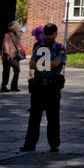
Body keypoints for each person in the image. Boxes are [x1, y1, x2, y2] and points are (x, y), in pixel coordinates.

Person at [21, 23, 66, 153]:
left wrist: (41, 64)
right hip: (39, 86)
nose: (48, 37)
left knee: (53, 117)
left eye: (51, 34)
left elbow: (56, 64)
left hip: (52, 86)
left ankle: (54, 143)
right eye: (46, 34)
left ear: (56, 34)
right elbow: (31, 64)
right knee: (34, 117)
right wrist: (47, 65)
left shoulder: (60, 48)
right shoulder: (38, 47)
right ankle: (29, 144)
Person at [1, 21, 25, 92]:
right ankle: (4, 86)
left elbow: (18, 45)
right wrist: (8, 54)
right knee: (6, 71)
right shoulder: (7, 35)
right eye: (17, 26)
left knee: (16, 70)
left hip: (15, 56)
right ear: (12, 27)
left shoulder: (16, 35)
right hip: (9, 57)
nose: (18, 27)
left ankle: (13, 86)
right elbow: (6, 45)